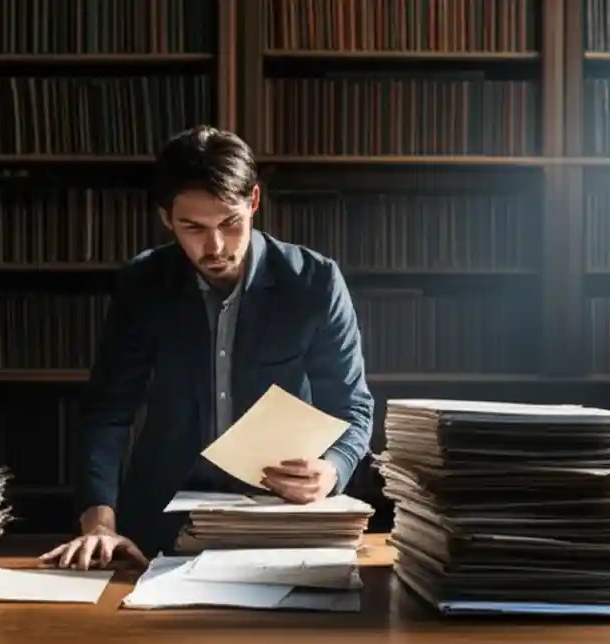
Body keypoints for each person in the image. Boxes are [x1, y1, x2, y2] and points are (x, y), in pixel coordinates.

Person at [39, 126, 374, 571]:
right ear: (165, 218)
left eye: (230, 223)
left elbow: (353, 409)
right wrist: (99, 522)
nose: (214, 247)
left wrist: (331, 469)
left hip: (278, 521)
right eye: (192, 228)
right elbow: (107, 411)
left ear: (254, 201)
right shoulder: (144, 283)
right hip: (159, 524)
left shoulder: (314, 282)